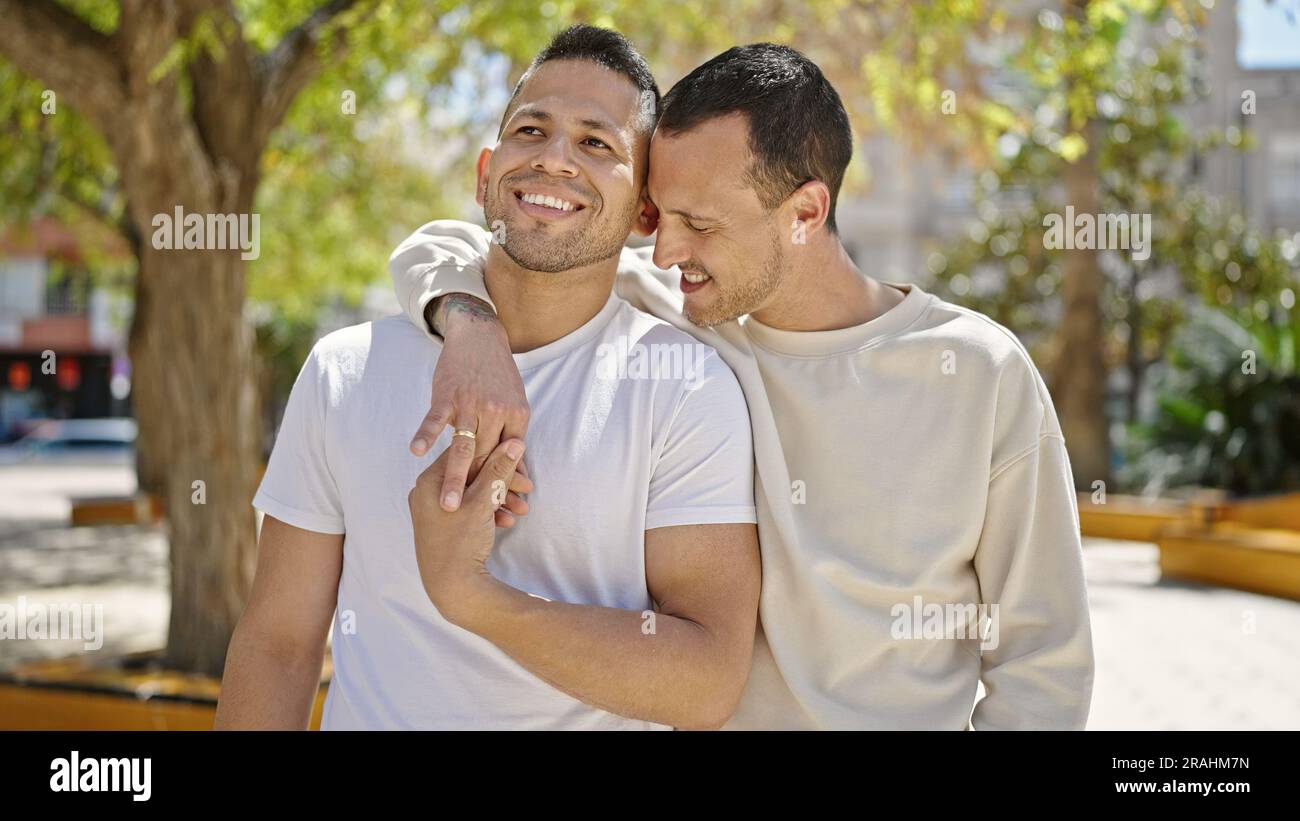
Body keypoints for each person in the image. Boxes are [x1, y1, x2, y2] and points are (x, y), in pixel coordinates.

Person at [391, 42, 1095, 729]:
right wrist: (470, 324)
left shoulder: (978, 373)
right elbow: (451, 244)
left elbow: (1044, 662)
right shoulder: (683, 312)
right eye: (660, 216)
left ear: (805, 215)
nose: (664, 251)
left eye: (698, 224)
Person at [216, 25, 761, 731]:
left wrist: (467, 594)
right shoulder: (344, 369)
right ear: (484, 173)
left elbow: (705, 684)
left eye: (597, 143)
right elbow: (279, 644)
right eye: (531, 129)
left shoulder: (686, 387)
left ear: (644, 213)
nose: (554, 159)